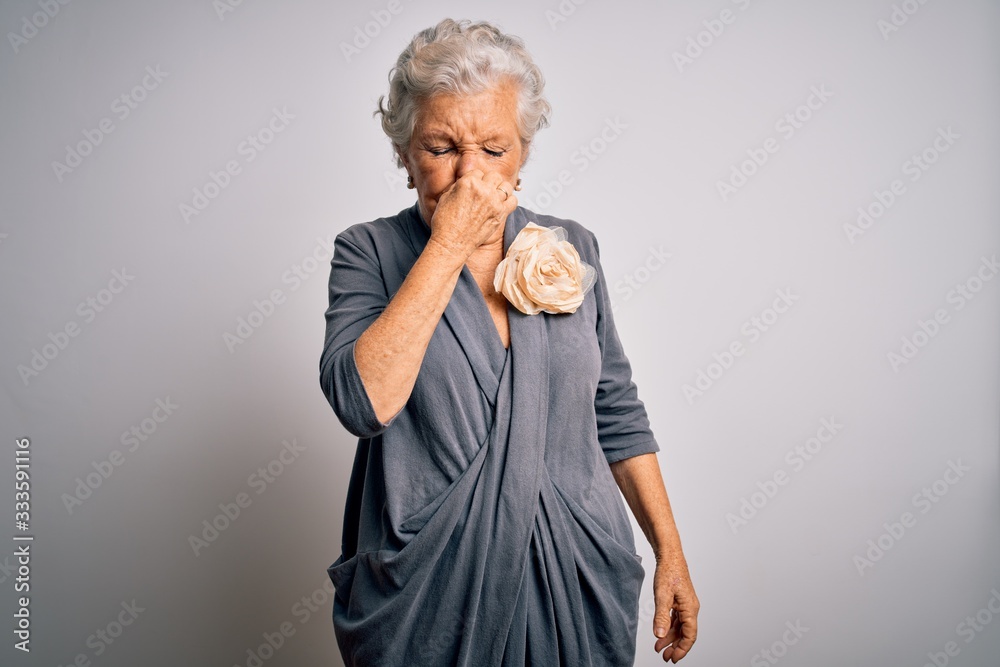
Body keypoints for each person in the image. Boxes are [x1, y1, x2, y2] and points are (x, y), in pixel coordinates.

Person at [319, 18, 698, 666]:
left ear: (522, 153)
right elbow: (364, 403)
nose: (471, 176)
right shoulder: (369, 252)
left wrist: (670, 551)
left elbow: (617, 411)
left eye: (493, 150)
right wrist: (448, 243)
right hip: (429, 594)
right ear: (404, 156)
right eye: (441, 147)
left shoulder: (571, 246)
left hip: (575, 579)